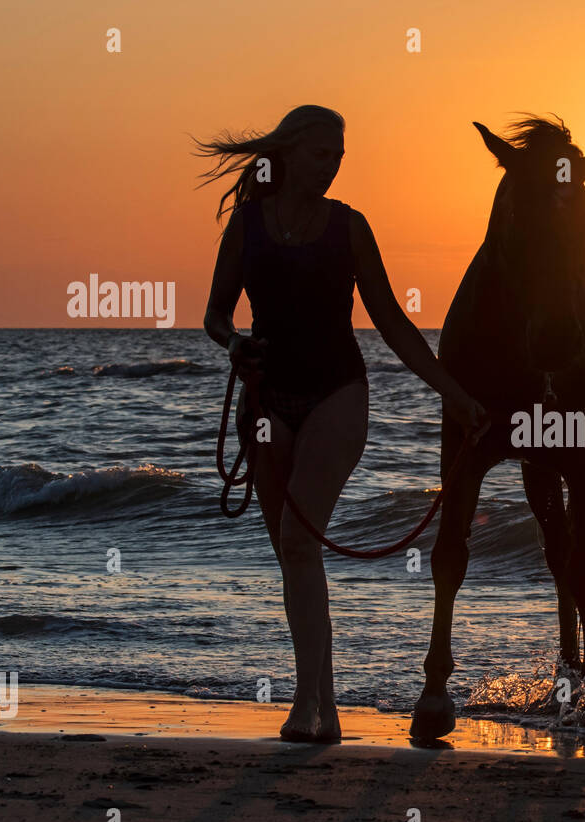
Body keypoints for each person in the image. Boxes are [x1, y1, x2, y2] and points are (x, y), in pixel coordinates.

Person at [194, 105, 487, 742]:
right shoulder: (246, 227)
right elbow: (215, 315)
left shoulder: (349, 228)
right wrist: (233, 343)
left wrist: (457, 397)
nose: (331, 167)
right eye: (322, 154)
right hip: (266, 402)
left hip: (338, 394)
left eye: (339, 158)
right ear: (292, 152)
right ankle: (325, 704)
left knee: (300, 545)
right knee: (292, 555)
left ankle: (306, 706)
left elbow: (393, 324)